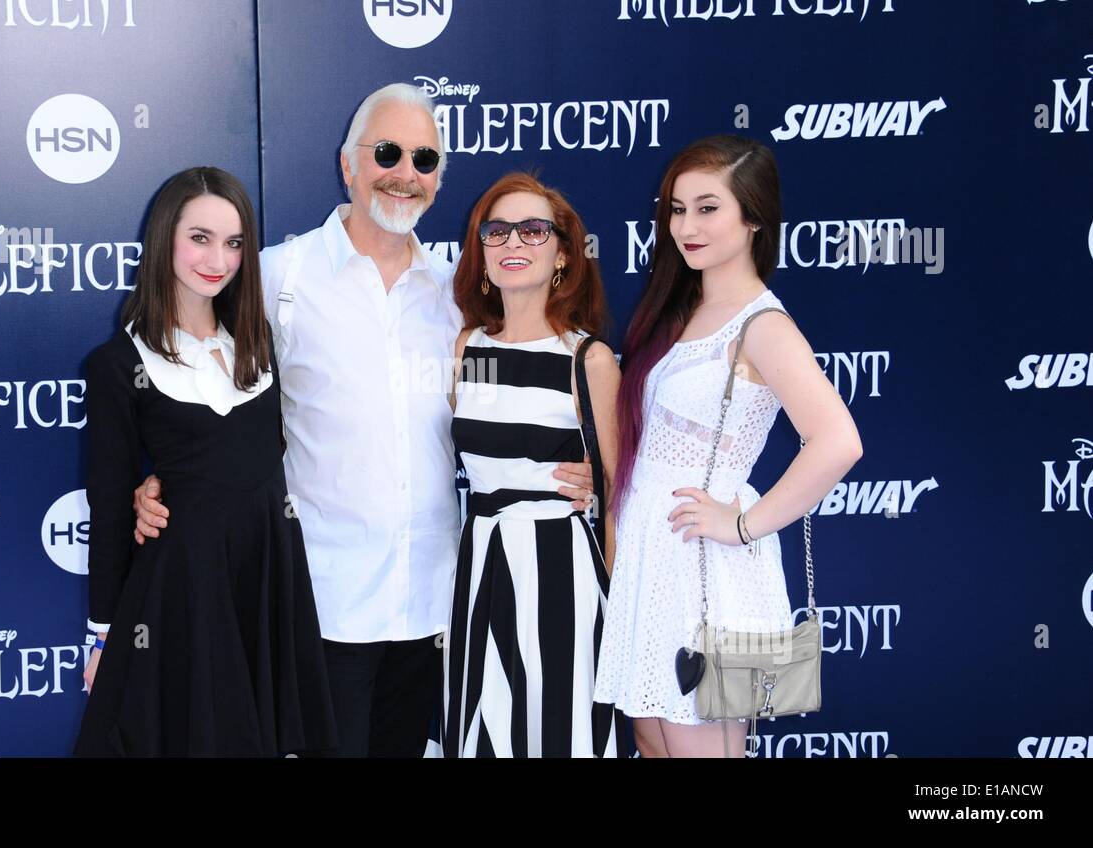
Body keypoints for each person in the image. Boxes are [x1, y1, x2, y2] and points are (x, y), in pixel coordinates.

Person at [131, 84, 600, 757]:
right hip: (323, 603)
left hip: (439, 606)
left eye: (425, 159)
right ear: (349, 164)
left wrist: (576, 474)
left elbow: (507, 410)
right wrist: (155, 480)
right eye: (387, 152)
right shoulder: (275, 281)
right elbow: (193, 390)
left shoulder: (461, 297)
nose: (405, 173)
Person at [592, 136, 863, 758]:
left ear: (754, 218)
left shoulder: (763, 326)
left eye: (707, 208)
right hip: (651, 558)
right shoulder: (683, 310)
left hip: (706, 567)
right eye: (677, 208)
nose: (686, 225)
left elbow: (838, 441)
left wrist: (743, 524)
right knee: (653, 741)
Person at [75, 167, 337, 757]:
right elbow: (112, 509)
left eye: (234, 242)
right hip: (181, 600)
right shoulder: (118, 364)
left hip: (267, 584)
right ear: (164, 237)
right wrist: (104, 636)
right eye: (200, 237)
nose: (218, 258)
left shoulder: (264, 345)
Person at [444, 173, 623, 757]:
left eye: (533, 229)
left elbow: (617, 498)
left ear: (564, 254)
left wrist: (623, 620)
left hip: (560, 571)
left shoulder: (586, 358)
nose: (513, 242)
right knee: (480, 734)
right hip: (479, 565)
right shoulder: (469, 349)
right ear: (482, 255)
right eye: (496, 231)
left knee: (557, 733)